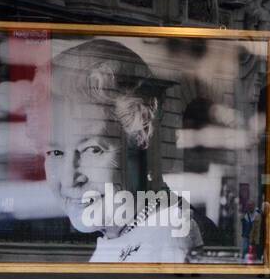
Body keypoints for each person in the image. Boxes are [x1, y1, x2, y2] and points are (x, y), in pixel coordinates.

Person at [41, 39, 204, 264]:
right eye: (55, 152)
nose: (69, 180)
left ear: (141, 136)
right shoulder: (124, 235)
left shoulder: (169, 241)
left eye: (92, 150)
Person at [249, 200, 270, 274]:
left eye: (266, 208)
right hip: (260, 240)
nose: (265, 210)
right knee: (261, 257)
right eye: (264, 208)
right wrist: (252, 239)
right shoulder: (258, 217)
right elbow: (253, 229)